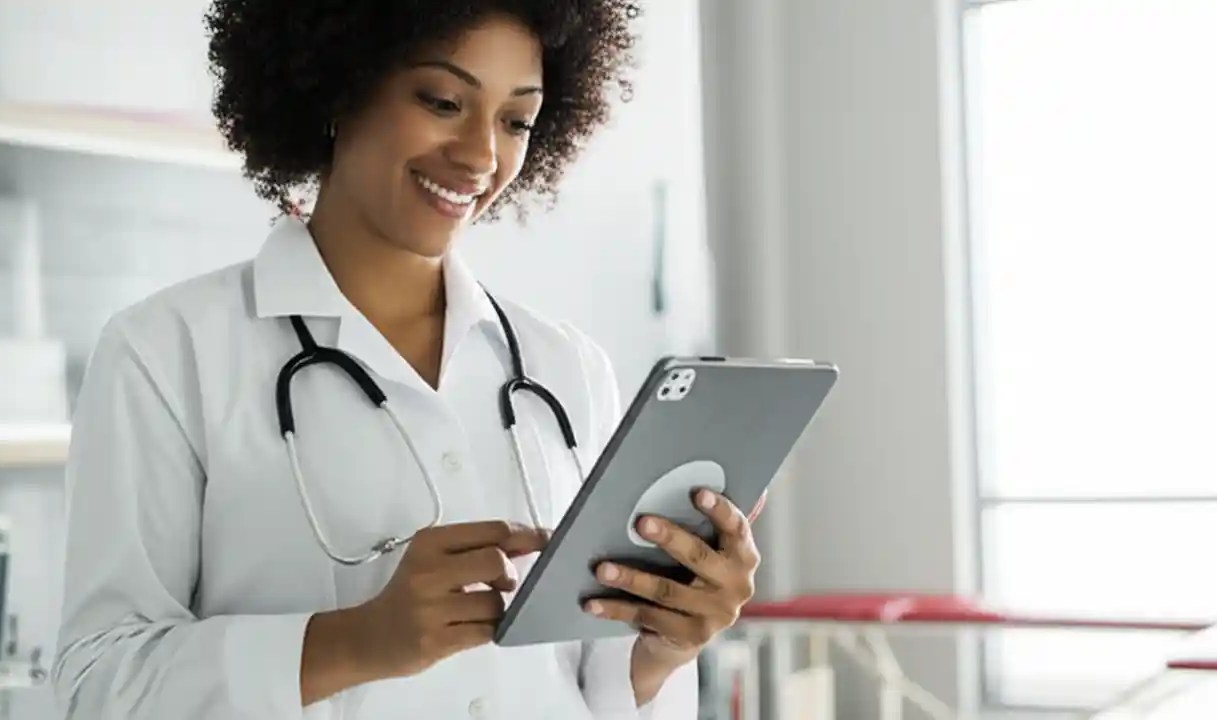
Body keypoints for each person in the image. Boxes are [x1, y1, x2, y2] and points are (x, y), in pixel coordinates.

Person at [51, 2, 763, 718]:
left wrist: (666, 647)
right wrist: (355, 642)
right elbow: (96, 685)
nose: (482, 156)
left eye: (516, 121)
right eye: (444, 101)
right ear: (338, 85)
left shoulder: (566, 368)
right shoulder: (166, 355)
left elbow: (592, 684)